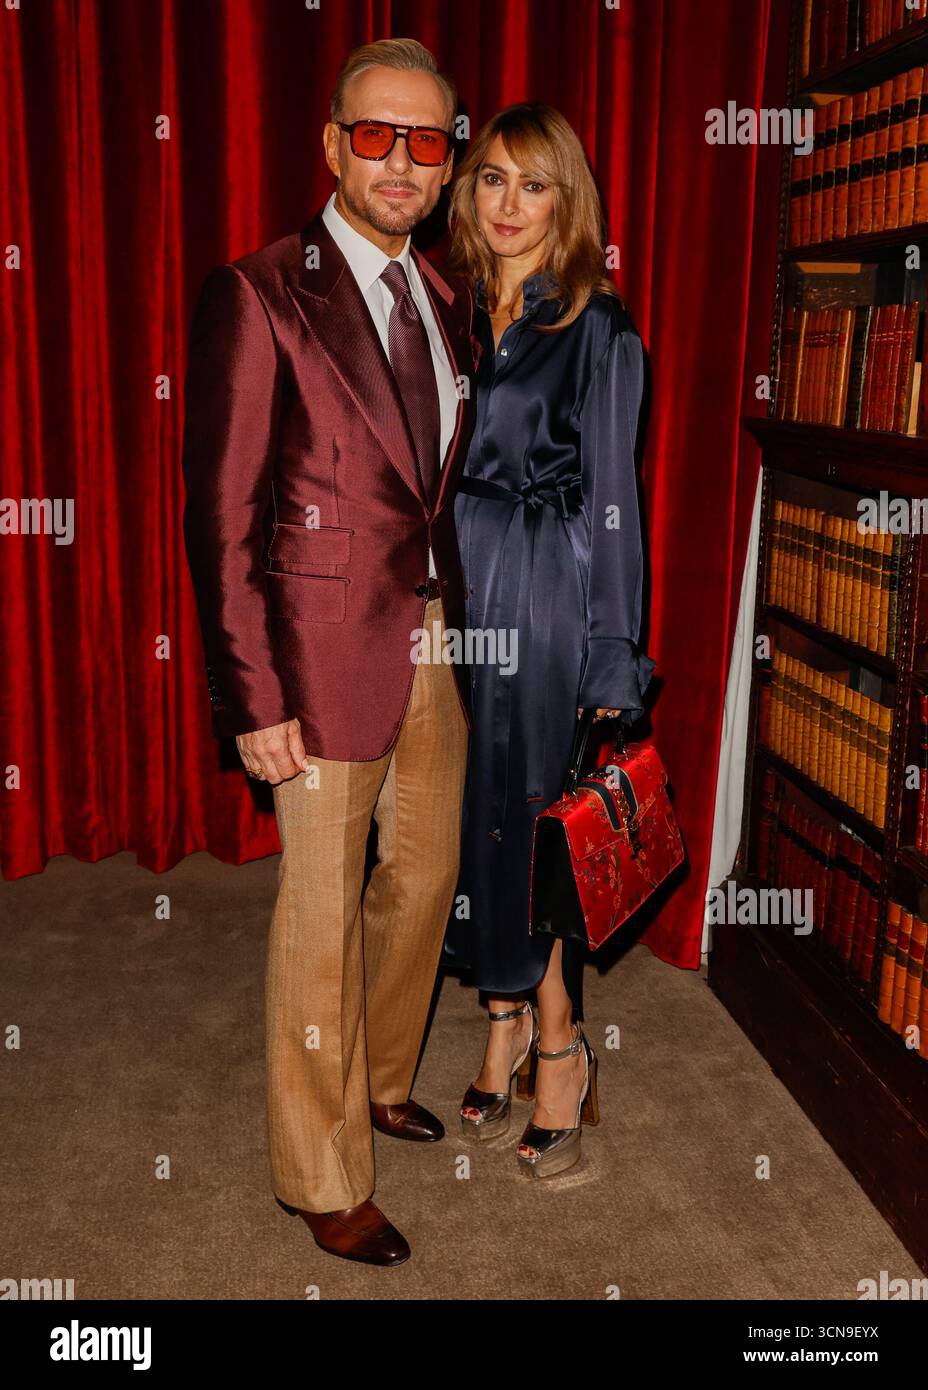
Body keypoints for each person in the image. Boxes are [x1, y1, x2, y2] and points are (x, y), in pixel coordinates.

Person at [181, 38, 476, 1266]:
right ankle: (319, 1173)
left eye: (426, 141)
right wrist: (251, 693)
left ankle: (383, 1075)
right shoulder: (258, 293)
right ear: (332, 146)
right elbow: (221, 512)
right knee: (318, 916)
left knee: (419, 880)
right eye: (377, 134)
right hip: (310, 658)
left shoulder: (450, 298)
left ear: (447, 161)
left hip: (436, 640)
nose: (400, 161)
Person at [443, 102, 656, 1178]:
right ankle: (500, 1017)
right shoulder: (443, 311)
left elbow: (614, 499)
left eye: (534, 185)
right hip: (445, 594)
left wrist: (612, 648)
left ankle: (559, 1043)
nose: (509, 204)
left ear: (567, 204)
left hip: (538, 593)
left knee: (530, 828)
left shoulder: (599, 330)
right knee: (459, 813)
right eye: (491, 179)